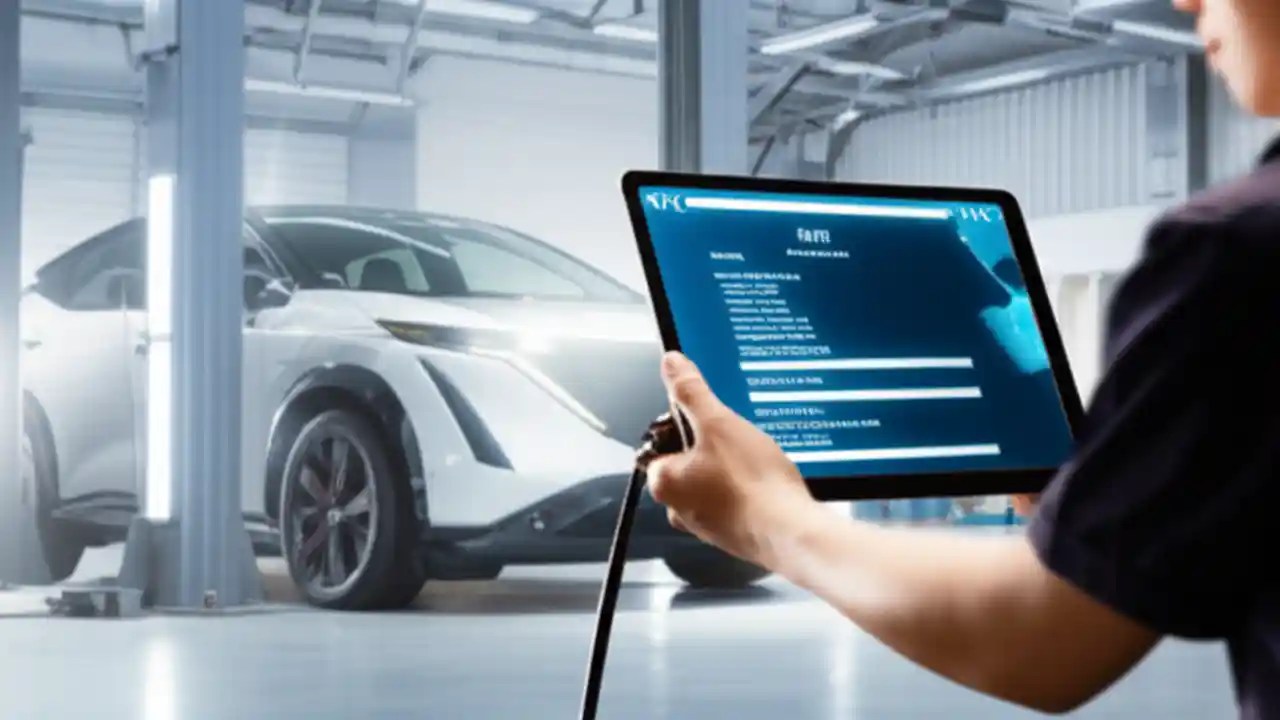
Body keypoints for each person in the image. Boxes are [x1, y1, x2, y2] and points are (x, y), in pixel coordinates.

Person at [644, 0, 1280, 716]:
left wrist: (769, 517)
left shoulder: (1242, 251)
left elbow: (1042, 638)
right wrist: (1119, 503)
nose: (1187, 2)